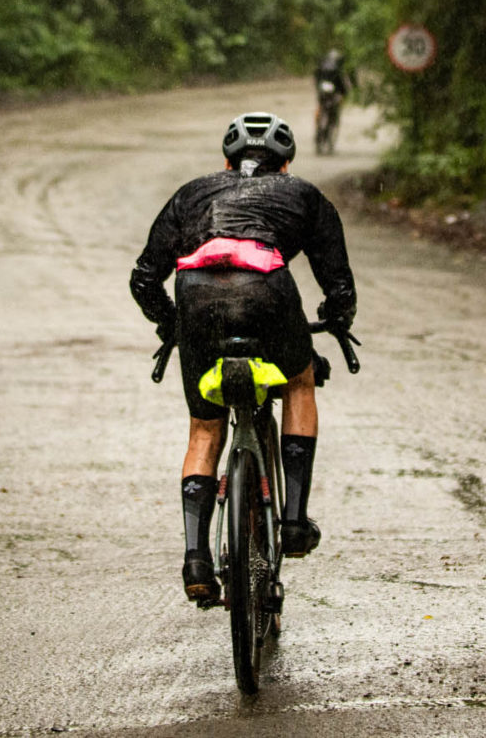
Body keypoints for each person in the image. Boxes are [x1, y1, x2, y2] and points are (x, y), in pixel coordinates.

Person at [129, 111, 358, 606]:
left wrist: (172, 326)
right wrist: (337, 317)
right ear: (286, 163)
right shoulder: (302, 195)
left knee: (205, 429)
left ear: (226, 160)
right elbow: (338, 282)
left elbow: (144, 277)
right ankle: (294, 520)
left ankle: (196, 559)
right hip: (268, 293)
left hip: (196, 298)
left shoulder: (191, 192)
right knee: (300, 381)